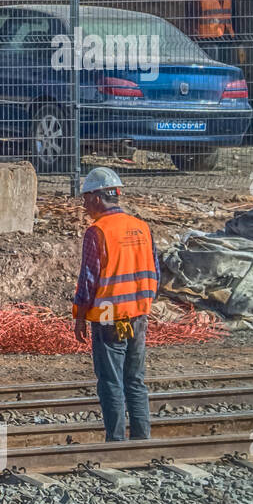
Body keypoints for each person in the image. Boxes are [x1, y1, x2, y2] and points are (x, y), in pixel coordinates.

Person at [72, 167, 159, 442]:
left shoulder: (97, 231)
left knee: (111, 381)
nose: (85, 206)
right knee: (135, 380)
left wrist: (80, 316)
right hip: (138, 315)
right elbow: (154, 271)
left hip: (109, 318)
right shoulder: (142, 227)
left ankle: (116, 442)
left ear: (98, 198)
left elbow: (88, 279)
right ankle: (142, 439)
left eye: (86, 199)